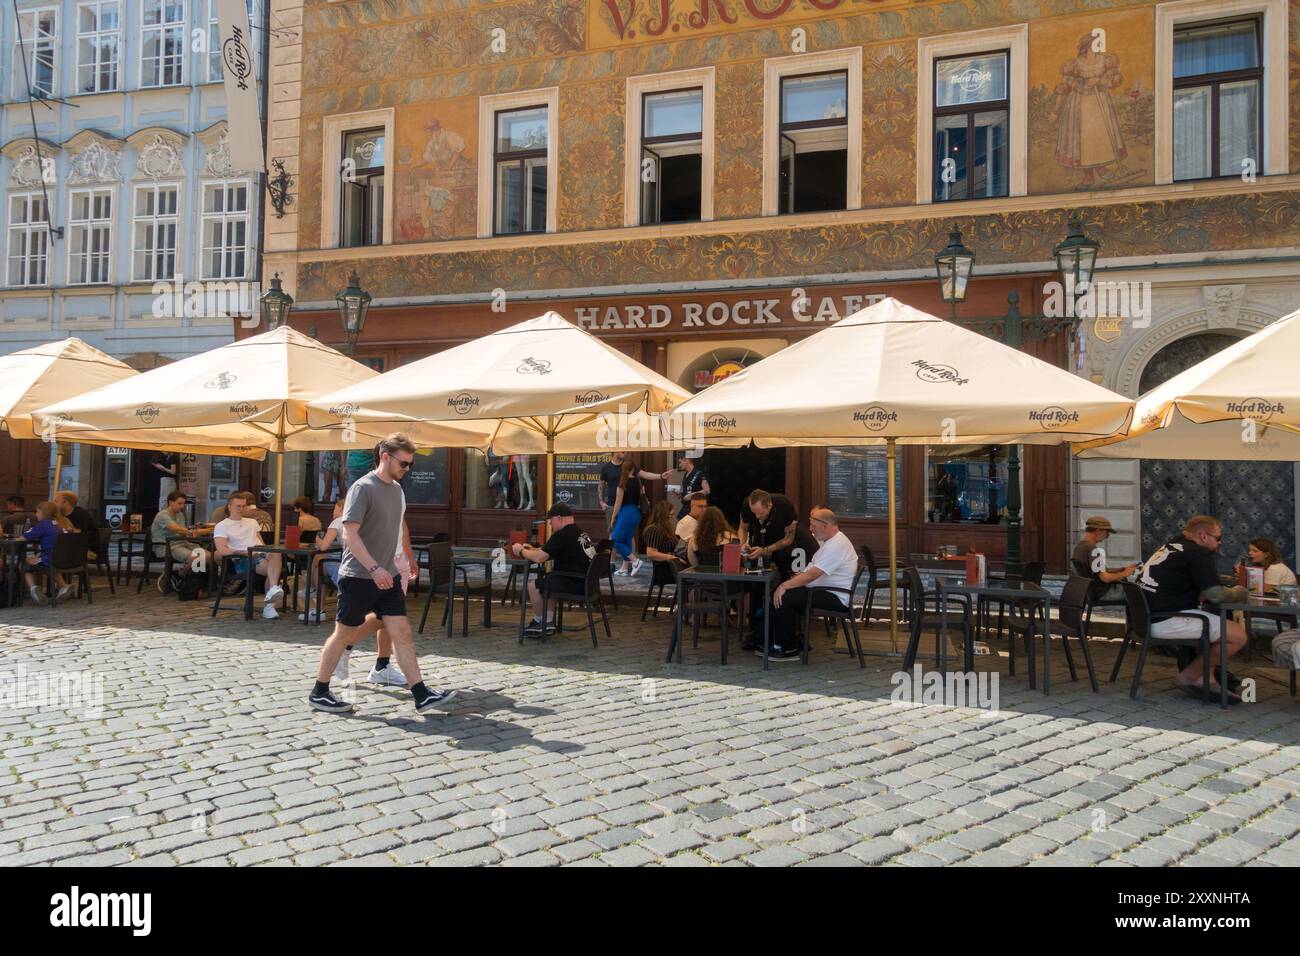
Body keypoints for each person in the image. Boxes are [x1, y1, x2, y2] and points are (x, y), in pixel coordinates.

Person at [309, 432, 458, 714]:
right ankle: (320, 690)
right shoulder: (362, 488)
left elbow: (397, 527)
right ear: (385, 457)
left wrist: (405, 558)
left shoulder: (397, 490)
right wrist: (374, 567)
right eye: (404, 464)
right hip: (359, 575)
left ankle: (421, 693)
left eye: (410, 465)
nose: (407, 470)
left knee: (401, 632)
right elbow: (350, 534)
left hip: (389, 576)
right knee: (343, 634)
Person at [1136, 514, 1249, 703]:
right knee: (1237, 635)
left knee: (1216, 627)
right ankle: (1189, 676)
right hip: (1165, 619)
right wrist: (1240, 592)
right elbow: (1215, 595)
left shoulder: (1172, 546)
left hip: (1144, 618)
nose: (1219, 543)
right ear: (1204, 536)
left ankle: (1208, 677)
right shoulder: (1197, 553)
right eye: (1218, 538)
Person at [761, 507, 860, 661]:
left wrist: (785, 585)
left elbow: (814, 574)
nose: (810, 528)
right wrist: (793, 580)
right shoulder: (829, 542)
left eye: (813, 525)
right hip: (823, 591)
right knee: (778, 592)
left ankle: (788, 649)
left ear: (825, 525)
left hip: (835, 597)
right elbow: (812, 570)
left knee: (785, 597)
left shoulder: (837, 545)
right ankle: (782, 641)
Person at [511, 502, 595, 638]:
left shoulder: (562, 534)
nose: (550, 524)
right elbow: (548, 551)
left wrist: (520, 551)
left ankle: (540, 622)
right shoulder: (579, 532)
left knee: (533, 586)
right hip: (585, 583)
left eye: (551, 520)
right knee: (550, 580)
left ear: (559, 518)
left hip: (574, 583)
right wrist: (532, 549)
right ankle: (548, 622)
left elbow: (539, 558)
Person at [213, 493, 285, 620]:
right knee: (272, 568)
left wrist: (264, 552)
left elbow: (261, 543)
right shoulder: (222, 525)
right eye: (238, 506)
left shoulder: (252, 522)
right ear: (229, 507)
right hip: (242, 559)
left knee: (275, 553)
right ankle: (269, 604)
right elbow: (222, 549)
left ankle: (273, 590)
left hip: (260, 555)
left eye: (243, 506)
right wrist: (239, 552)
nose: (241, 509)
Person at [741, 490, 818, 581]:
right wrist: (742, 543)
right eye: (754, 513)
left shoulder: (784, 505)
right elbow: (742, 528)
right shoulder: (747, 505)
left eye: (760, 513)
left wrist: (765, 550)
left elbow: (788, 539)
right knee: (755, 580)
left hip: (782, 539)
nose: (757, 516)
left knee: (786, 576)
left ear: (769, 506)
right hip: (760, 536)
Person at [1070, 514, 1137, 602]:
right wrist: (1125, 573)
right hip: (1103, 593)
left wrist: (1118, 570)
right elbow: (1105, 578)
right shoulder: (1092, 550)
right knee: (1138, 593)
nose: (1108, 536)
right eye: (1107, 532)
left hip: (1090, 592)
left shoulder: (1079, 547)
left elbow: (1096, 571)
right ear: (1098, 530)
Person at [151, 491, 209, 590]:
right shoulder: (162, 515)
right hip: (167, 546)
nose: (182, 506)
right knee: (196, 557)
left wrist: (196, 530)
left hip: (183, 542)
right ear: (170, 503)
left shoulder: (180, 515)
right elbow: (178, 529)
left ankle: (194, 582)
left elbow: (183, 532)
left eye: (183, 503)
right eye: (179, 503)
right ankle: (183, 576)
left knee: (208, 556)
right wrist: (203, 531)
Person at [601, 451, 666, 535]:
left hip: (626, 507)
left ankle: (624, 548)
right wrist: (601, 501)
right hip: (612, 506)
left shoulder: (628, 465)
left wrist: (660, 476)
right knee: (613, 534)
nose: (626, 453)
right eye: (623, 451)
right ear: (615, 451)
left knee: (626, 535)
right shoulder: (606, 467)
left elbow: (644, 474)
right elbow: (601, 485)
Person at [22, 501, 70, 604]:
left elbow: (25, 537)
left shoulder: (43, 525)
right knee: (46, 563)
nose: (36, 514)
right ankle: (63, 586)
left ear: (44, 513)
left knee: (24, 564)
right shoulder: (59, 523)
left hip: (49, 559)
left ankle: (33, 589)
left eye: (38, 512)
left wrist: (18, 537)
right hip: (63, 559)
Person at [610, 458, 645, 576]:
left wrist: (613, 518)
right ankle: (624, 569)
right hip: (636, 512)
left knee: (615, 540)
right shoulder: (638, 482)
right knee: (627, 539)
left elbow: (617, 503)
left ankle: (635, 561)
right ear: (633, 469)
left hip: (626, 512)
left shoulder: (622, 485)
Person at [54, 491, 101, 560]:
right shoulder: (60, 515)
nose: (53, 504)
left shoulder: (80, 514)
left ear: (65, 502)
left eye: (56, 501)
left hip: (87, 549)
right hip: (72, 546)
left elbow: (79, 534)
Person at [642, 501, 685, 568]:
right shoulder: (653, 530)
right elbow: (651, 553)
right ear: (663, 515)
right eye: (671, 515)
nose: (673, 517)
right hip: (663, 567)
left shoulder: (665, 528)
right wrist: (672, 557)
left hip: (668, 563)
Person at [669, 450, 710, 521]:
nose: (679, 465)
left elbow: (707, 490)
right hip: (685, 508)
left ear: (686, 460)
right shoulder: (686, 474)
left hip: (695, 508)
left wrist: (691, 496)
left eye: (680, 462)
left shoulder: (699, 473)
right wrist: (679, 493)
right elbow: (687, 491)